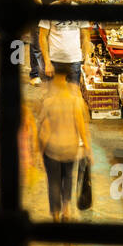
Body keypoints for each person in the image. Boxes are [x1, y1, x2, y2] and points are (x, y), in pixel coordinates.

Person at [35, 65, 90, 224]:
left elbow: (45, 130)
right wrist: (86, 146)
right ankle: (66, 209)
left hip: (53, 149)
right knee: (68, 178)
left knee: (53, 181)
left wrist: (39, 152)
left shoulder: (49, 102)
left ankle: (56, 215)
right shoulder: (75, 101)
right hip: (70, 148)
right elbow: (80, 125)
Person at [39, 0, 92, 84]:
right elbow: (42, 37)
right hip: (54, 60)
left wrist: (87, 59)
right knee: (53, 96)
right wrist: (47, 62)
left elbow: (86, 37)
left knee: (73, 95)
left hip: (74, 61)